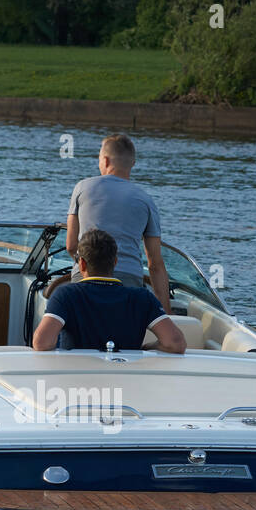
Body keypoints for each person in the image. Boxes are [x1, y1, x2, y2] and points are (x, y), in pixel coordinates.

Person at [33, 229, 186, 353]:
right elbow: (175, 343)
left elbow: (42, 343)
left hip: (81, 381)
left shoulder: (66, 295)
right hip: (127, 379)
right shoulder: (142, 298)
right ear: (115, 262)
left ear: (82, 264)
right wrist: (146, 349)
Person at [66, 134, 171, 312]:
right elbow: (155, 264)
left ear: (105, 161)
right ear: (132, 164)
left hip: (86, 276)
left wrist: (81, 264)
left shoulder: (83, 187)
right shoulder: (146, 200)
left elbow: (71, 245)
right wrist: (167, 312)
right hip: (129, 282)